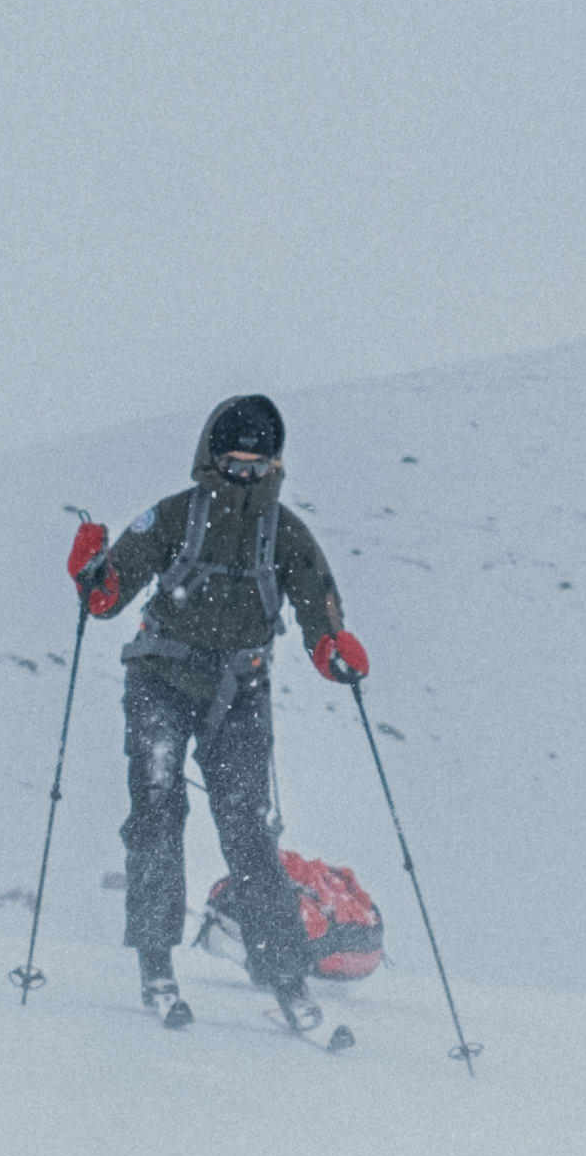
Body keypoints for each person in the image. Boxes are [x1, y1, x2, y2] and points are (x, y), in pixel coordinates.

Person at [66, 394, 373, 1038]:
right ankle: (156, 964)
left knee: (249, 830)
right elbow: (108, 595)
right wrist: (96, 576)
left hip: (241, 689)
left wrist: (330, 646)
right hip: (161, 679)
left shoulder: (285, 533)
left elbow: (319, 603)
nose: (245, 476)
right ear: (211, 459)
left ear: (274, 465)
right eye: (233, 464)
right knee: (156, 809)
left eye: (257, 466)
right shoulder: (174, 517)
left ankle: (287, 978)